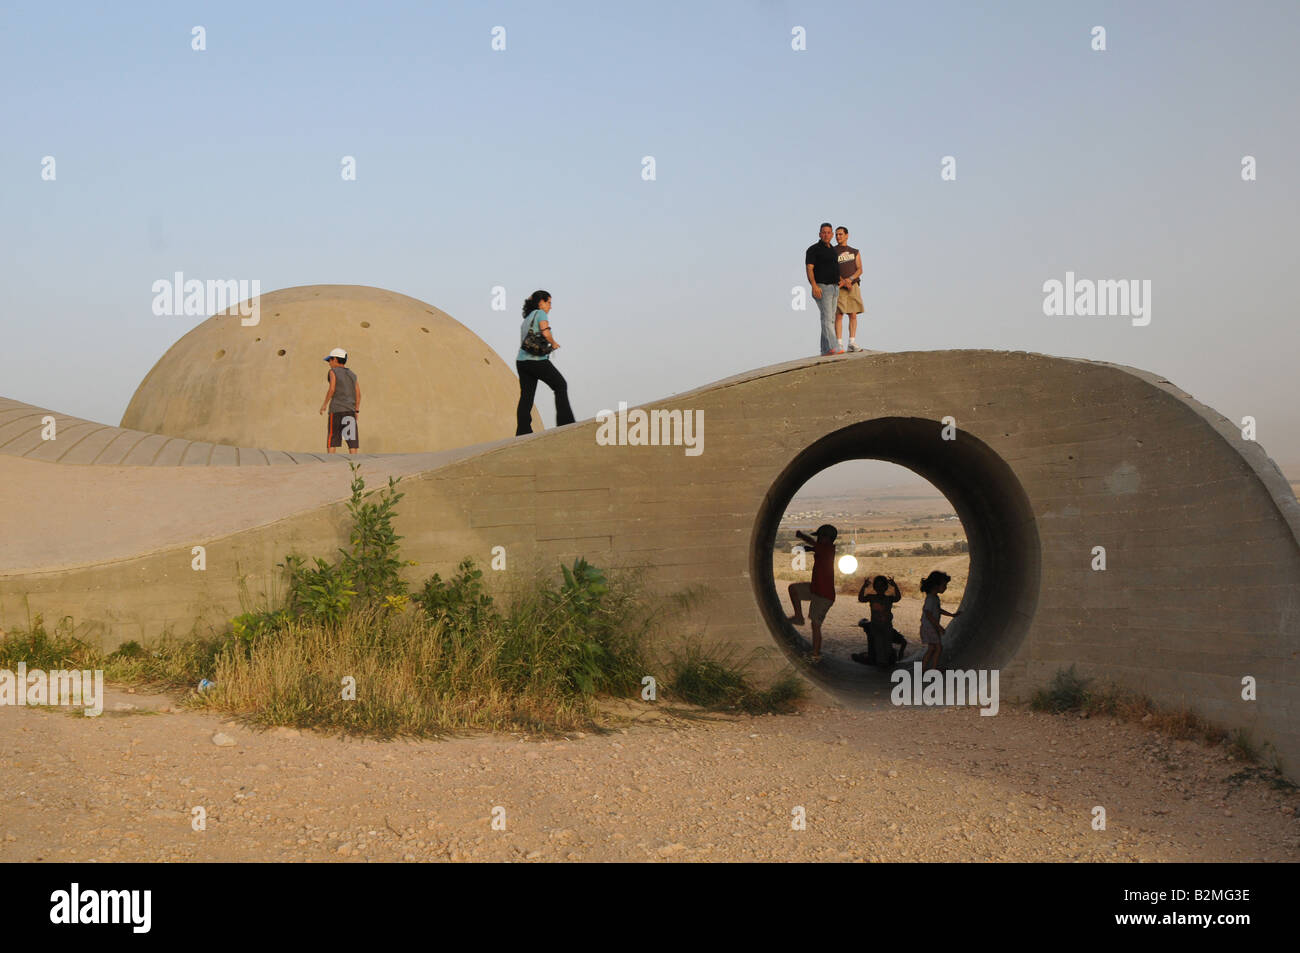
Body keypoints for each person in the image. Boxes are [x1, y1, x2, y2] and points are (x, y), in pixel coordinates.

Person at [515, 290, 576, 436]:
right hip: (536, 361)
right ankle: (565, 422)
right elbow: (545, 332)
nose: (550, 306)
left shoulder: (526, 319)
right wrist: (554, 343)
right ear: (541, 302)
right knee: (560, 385)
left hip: (522, 362)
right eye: (549, 302)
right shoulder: (540, 313)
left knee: (526, 396)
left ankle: (523, 431)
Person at [787, 524, 838, 663]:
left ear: (828, 538)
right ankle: (798, 617)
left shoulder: (828, 549)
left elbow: (813, 544)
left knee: (816, 625)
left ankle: (815, 655)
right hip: (815, 589)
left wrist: (802, 536)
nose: (819, 539)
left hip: (824, 596)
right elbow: (815, 547)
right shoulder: (824, 549)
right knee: (793, 589)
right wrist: (810, 549)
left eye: (821, 536)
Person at [852, 574, 906, 667]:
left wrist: (894, 585)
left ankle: (886, 659)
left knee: (887, 644)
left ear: (886, 587)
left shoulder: (889, 598)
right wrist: (864, 586)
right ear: (874, 587)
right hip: (875, 626)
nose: (880, 588)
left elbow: (898, 598)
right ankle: (881, 662)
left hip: (887, 627)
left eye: (882, 585)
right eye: (877, 586)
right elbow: (861, 598)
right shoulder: (872, 597)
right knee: (879, 643)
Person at [804, 223, 842, 356]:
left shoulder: (832, 249)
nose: (826, 235)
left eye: (828, 232)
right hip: (822, 287)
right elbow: (809, 268)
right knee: (827, 319)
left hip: (834, 287)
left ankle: (825, 349)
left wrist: (840, 281)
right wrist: (814, 285)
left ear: (832, 235)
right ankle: (834, 347)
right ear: (820, 234)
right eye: (823, 232)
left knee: (830, 319)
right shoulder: (813, 249)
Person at [319, 347, 360, 454]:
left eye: (330, 360)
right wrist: (356, 411)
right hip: (350, 411)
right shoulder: (352, 374)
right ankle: (354, 465)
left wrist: (324, 404)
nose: (329, 363)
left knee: (333, 439)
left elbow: (332, 389)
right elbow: (358, 394)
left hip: (336, 410)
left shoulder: (333, 371)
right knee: (352, 441)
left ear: (336, 359)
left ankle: (330, 464)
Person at [919, 570, 961, 671]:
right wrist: (939, 627)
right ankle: (933, 669)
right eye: (944, 585)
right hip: (930, 627)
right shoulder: (930, 599)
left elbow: (937, 610)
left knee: (932, 648)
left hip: (930, 627)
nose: (946, 587)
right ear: (935, 585)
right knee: (938, 648)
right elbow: (928, 614)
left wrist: (951, 615)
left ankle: (924, 669)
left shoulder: (934, 598)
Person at [833, 226, 865, 352]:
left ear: (847, 235)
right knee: (839, 314)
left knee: (853, 314)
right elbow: (831, 269)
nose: (838, 237)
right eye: (836, 234)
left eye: (840, 234)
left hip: (853, 286)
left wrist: (850, 280)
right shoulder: (832, 251)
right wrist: (843, 281)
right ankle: (839, 344)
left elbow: (860, 269)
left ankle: (852, 342)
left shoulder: (854, 251)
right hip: (839, 286)